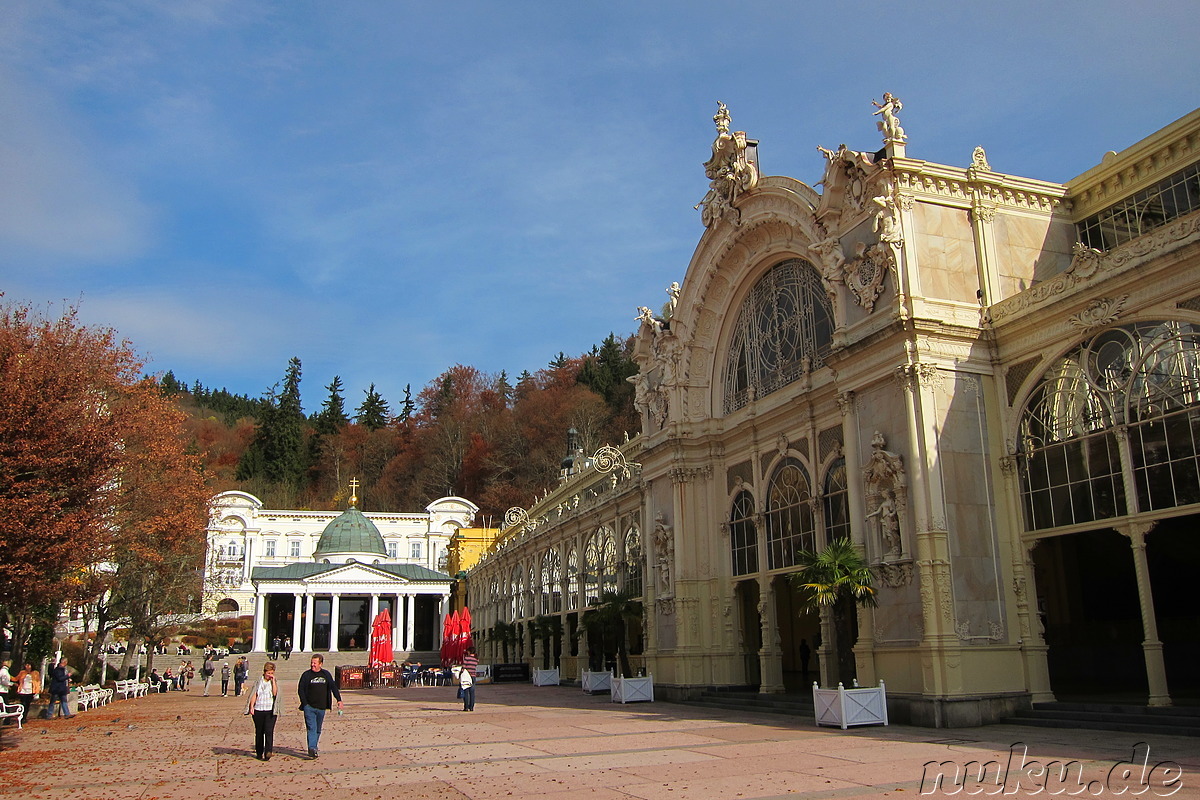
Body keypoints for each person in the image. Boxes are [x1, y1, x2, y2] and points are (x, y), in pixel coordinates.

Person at [297, 654, 343, 759]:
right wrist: (305, 703)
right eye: (312, 662)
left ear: (320, 664)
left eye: (315, 663)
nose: (312, 665)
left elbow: (333, 687)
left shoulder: (325, 674)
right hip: (309, 707)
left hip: (322, 707)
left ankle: (314, 747)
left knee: (318, 729)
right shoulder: (306, 675)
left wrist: (339, 700)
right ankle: (312, 748)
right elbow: (301, 689)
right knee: (311, 727)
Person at [244, 662, 281, 761]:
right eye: (268, 673)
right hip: (259, 709)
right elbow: (254, 694)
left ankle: (268, 751)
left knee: (269, 731)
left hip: (270, 710)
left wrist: (273, 681)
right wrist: (251, 707)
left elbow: (275, 693)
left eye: (272, 673)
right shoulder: (259, 681)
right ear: (264, 672)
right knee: (259, 732)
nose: (270, 675)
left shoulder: (274, 681)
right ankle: (259, 752)